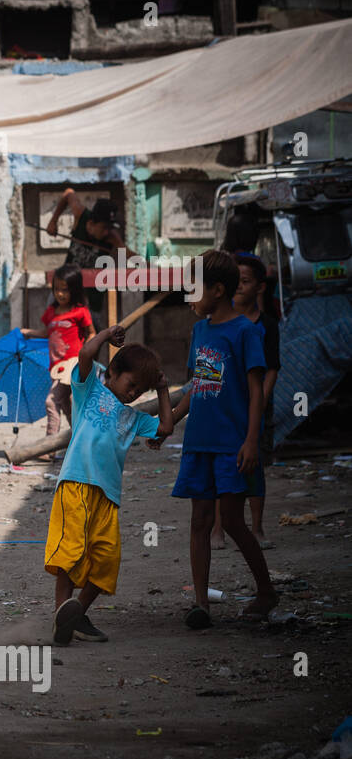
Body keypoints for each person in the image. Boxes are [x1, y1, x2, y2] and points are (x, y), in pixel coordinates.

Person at [163, 249, 278, 629]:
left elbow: (256, 390)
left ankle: (265, 590)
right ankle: (201, 603)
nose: (189, 296)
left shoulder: (246, 331)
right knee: (200, 520)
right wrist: (172, 420)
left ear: (217, 289)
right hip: (200, 441)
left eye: (194, 289)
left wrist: (251, 441)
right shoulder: (200, 330)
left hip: (233, 443)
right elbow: (199, 383)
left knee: (231, 520)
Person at [47, 327, 173, 645]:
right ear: (113, 373)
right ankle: (62, 613)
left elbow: (166, 427)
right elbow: (86, 354)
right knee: (70, 555)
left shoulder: (133, 418)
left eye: (139, 390)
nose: (133, 394)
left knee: (105, 560)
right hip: (75, 485)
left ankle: (74, 615)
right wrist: (106, 335)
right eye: (131, 384)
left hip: (108, 497)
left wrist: (161, 390)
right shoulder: (90, 390)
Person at [209, 252, 280, 549]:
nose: (240, 285)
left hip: (253, 405)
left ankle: (257, 527)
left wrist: (260, 403)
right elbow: (206, 377)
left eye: (246, 281)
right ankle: (218, 529)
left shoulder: (260, 326)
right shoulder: (210, 326)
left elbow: (270, 368)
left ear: (259, 287)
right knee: (220, 469)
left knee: (253, 465)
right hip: (224, 408)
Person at [21, 263, 95, 443]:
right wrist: (28, 333)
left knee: (51, 401)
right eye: (56, 289)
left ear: (74, 290)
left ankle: (50, 445)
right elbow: (47, 333)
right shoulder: (51, 312)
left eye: (65, 290)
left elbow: (91, 332)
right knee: (66, 405)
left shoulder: (79, 312)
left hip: (72, 366)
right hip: (56, 368)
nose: (60, 294)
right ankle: (80, 440)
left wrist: (87, 351)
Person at [47, 192, 135, 270]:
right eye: (104, 227)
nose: (107, 232)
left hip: (95, 283)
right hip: (72, 279)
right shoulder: (81, 216)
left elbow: (128, 254)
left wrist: (146, 264)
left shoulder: (112, 237)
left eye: (110, 227)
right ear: (92, 223)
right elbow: (68, 193)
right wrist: (53, 221)